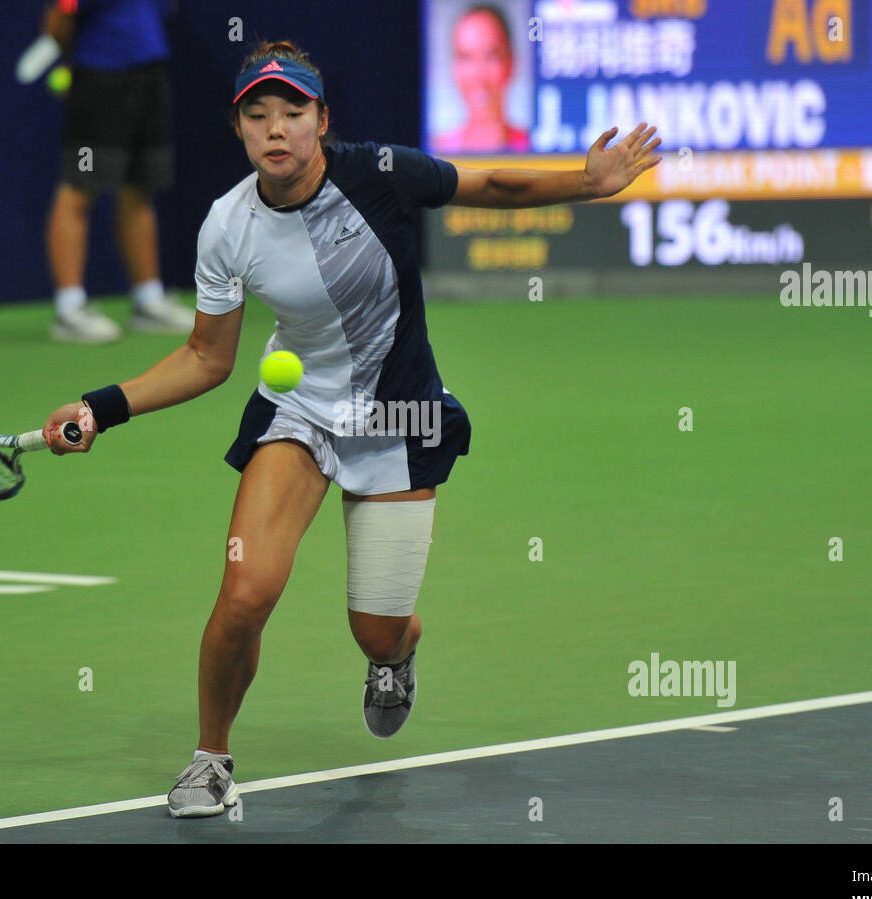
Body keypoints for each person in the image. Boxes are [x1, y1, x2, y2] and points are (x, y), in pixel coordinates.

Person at [43, 39, 660, 817]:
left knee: (375, 630)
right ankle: (209, 759)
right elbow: (206, 357)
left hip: (398, 415)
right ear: (238, 130)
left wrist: (586, 183)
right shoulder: (226, 226)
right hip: (300, 413)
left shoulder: (382, 175)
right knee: (245, 592)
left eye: (293, 112)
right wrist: (101, 407)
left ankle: (396, 654)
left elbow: (490, 181)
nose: (276, 129)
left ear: (321, 120)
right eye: (257, 115)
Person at [42, 0, 195, 342]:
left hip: (149, 75)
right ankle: (69, 308)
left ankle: (147, 301)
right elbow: (57, 20)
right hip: (99, 82)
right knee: (79, 187)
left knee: (140, 188)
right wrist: (77, 62)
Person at [431, 4, 530, 153]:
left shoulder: (537, 145)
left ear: (511, 62)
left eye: (492, 56)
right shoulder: (433, 152)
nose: (479, 76)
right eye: (466, 58)